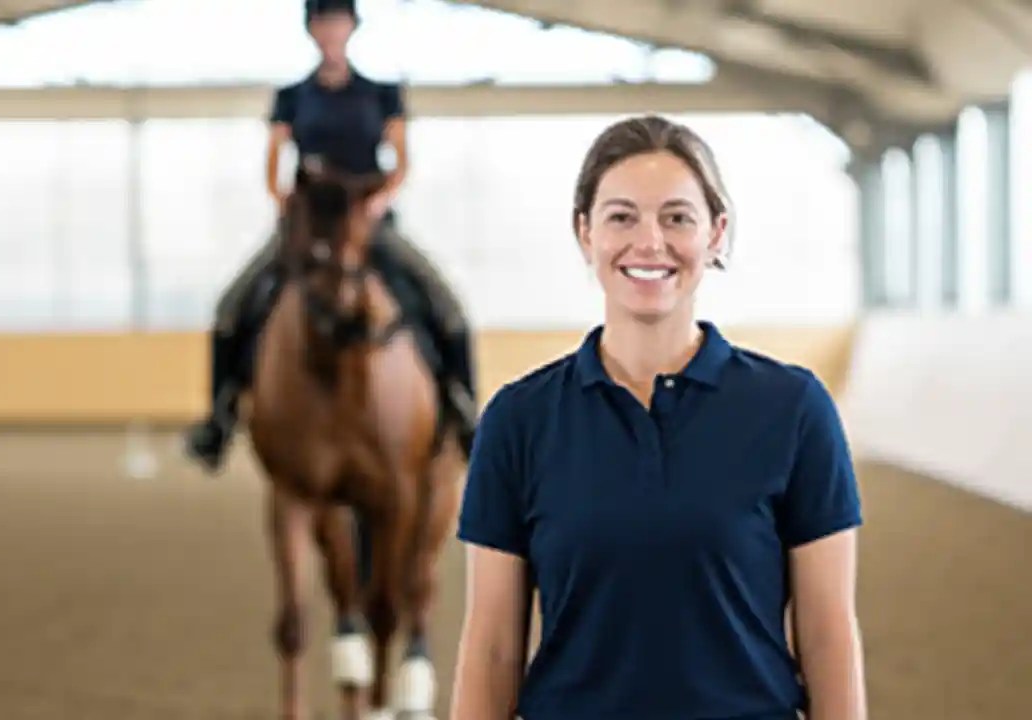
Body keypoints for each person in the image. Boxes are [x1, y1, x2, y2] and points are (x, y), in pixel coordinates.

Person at [449, 115, 867, 720]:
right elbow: (490, 648)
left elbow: (829, 638)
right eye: (622, 216)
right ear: (584, 231)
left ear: (716, 233)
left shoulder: (795, 409)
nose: (649, 243)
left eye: (677, 217)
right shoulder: (518, 419)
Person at [183, 0, 477, 473]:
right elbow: (274, 160)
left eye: (337, 21)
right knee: (231, 307)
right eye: (322, 22)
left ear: (352, 27)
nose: (330, 30)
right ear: (312, 30)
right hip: (307, 225)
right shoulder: (293, 96)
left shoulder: (382, 93)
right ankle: (219, 417)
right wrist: (284, 201)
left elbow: (400, 162)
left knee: (446, 304)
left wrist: (376, 203)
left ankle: (464, 410)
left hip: (367, 221)